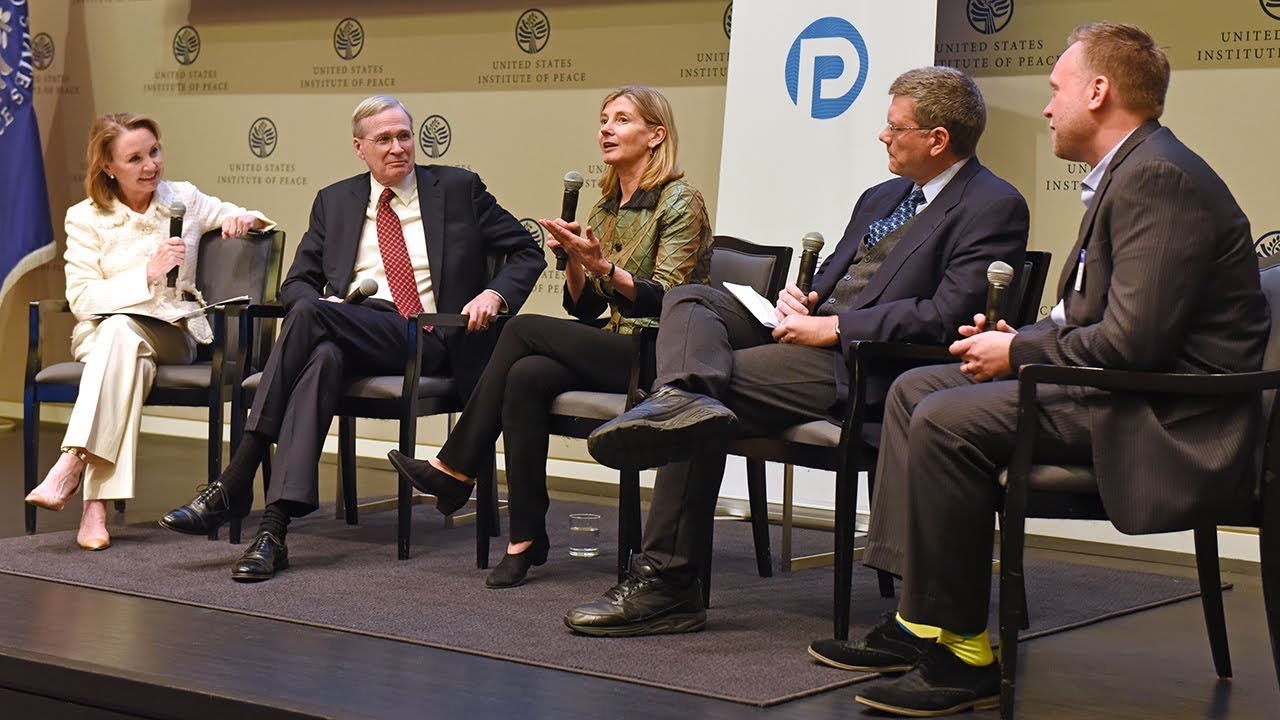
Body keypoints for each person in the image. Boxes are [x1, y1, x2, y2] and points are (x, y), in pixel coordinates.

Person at [809, 24, 1268, 718]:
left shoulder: (1158, 177)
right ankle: (919, 620)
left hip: (1166, 413)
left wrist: (1018, 354)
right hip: (1120, 386)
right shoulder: (1132, 169)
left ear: (1099, 90)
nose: (1048, 107)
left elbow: (1134, 345)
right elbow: (1091, 317)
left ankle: (965, 655)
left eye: (1057, 90)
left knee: (944, 419)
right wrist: (1016, 336)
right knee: (914, 390)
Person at [566, 67, 1030, 634]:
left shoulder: (992, 203)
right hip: (809, 339)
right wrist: (801, 303)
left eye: (894, 127)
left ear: (937, 139)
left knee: (708, 398)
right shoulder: (882, 196)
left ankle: (668, 584)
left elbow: (947, 317)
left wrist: (835, 330)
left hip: (867, 366)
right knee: (691, 300)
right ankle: (680, 399)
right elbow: (834, 279)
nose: (883, 136)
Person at [158, 95, 545, 581]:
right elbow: (296, 283)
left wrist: (494, 294)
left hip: (431, 335)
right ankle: (272, 533)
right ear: (359, 148)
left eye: (404, 135)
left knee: (316, 322)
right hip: (356, 327)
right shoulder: (335, 200)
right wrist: (332, 309)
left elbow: (527, 252)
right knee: (320, 353)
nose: (398, 147)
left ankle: (239, 476)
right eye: (383, 139)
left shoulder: (459, 188)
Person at [388, 85, 714, 588]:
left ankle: (455, 467)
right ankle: (525, 538)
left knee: (519, 328)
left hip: (662, 354)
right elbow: (583, 308)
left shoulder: (680, 200)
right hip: (614, 341)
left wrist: (601, 263)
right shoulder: (606, 207)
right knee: (526, 374)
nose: (606, 128)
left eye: (622, 120)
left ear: (656, 135)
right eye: (604, 119)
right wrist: (578, 267)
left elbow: (669, 297)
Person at [23, 112, 273, 551]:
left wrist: (244, 220)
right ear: (108, 166)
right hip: (106, 336)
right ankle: (93, 508)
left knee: (122, 338)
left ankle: (70, 463)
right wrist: (148, 272)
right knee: (123, 345)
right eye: (134, 157)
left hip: (174, 333)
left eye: (154, 152)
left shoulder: (184, 198)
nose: (150, 165)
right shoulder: (85, 218)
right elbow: (81, 299)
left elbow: (248, 216)